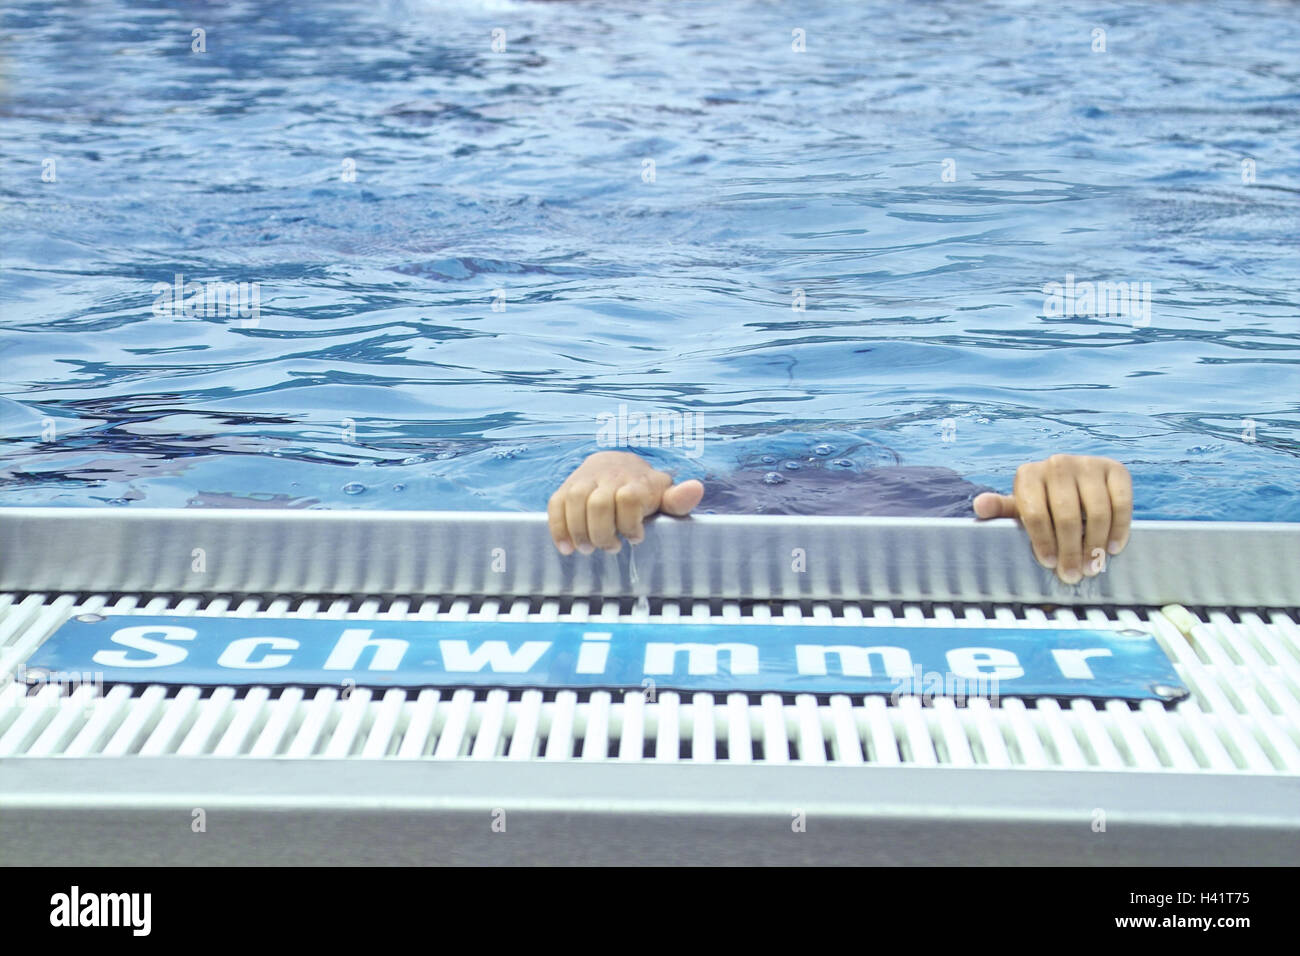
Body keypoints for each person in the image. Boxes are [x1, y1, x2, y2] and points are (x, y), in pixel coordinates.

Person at [546, 449, 1132, 585]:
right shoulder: (933, 499)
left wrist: (615, 470)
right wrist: (1072, 507)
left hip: (736, 500)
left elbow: (647, 495)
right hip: (924, 500)